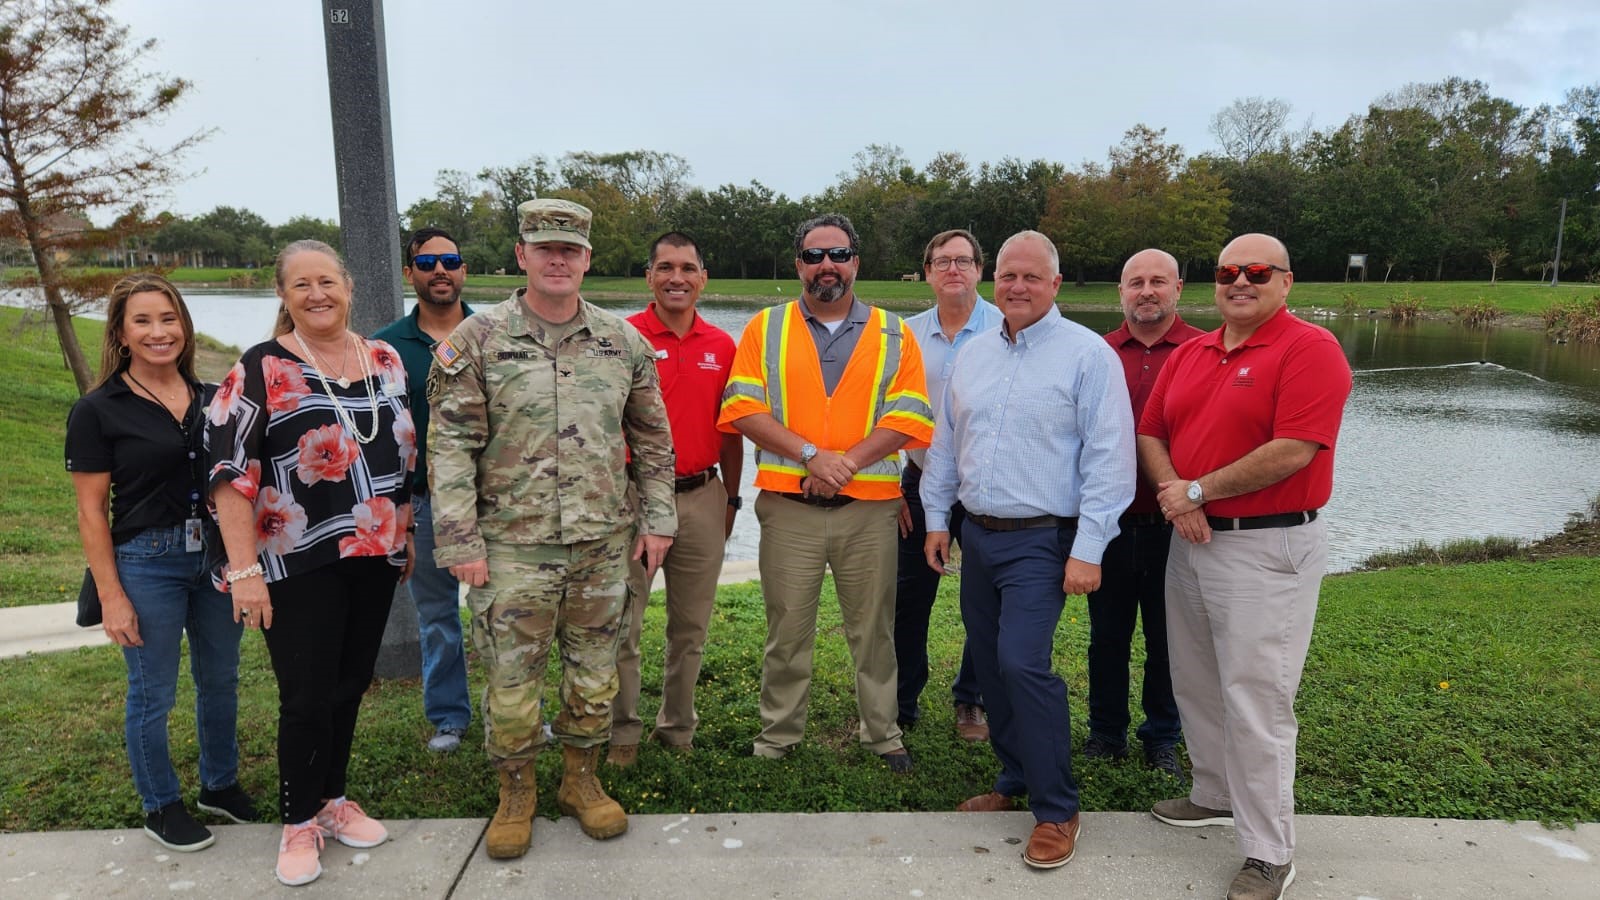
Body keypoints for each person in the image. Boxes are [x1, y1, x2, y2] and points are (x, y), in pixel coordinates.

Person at [427, 199, 676, 859]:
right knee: (513, 682)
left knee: (595, 676)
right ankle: (516, 792)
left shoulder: (623, 342)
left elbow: (653, 442)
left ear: (588, 258)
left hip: (601, 543)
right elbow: (449, 449)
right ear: (522, 255)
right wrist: (459, 541)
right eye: (545, 248)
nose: (558, 260)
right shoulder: (477, 341)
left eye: (570, 250)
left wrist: (658, 519)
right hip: (512, 547)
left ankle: (581, 781)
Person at [1138, 233, 1352, 900]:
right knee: (1196, 678)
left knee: (1256, 699)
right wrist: (1181, 499)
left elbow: (1295, 448)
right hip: (1194, 538)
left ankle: (1269, 852)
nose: (1241, 281)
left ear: (1286, 282)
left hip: (1268, 548)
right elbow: (1152, 431)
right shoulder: (1196, 350)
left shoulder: (1310, 349)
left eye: (1258, 272)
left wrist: (1199, 491)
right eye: (1229, 271)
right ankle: (1212, 791)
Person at [921, 230, 1134, 871]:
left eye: (1031, 277)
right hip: (977, 534)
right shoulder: (976, 355)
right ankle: (1014, 778)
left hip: (1045, 540)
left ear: (1055, 285)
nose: (1016, 286)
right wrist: (938, 518)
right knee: (988, 666)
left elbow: (1109, 459)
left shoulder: (1088, 356)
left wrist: (1090, 548)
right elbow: (947, 445)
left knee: (1022, 663)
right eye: (1008, 275)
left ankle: (1057, 808)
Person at [208, 240, 416, 887]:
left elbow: (404, 457)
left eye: (327, 280)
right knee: (306, 697)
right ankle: (297, 822)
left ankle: (331, 800)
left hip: (374, 553)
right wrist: (245, 573)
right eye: (302, 285)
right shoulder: (260, 367)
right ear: (283, 294)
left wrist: (400, 535)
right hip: (294, 559)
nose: (317, 293)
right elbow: (227, 475)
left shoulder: (383, 359)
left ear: (349, 286)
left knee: (350, 684)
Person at [719, 212, 933, 773]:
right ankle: (778, 737)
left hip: (868, 513)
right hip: (790, 510)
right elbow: (743, 407)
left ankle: (883, 734)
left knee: (874, 630)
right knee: (786, 628)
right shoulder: (765, 328)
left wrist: (845, 464)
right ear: (799, 265)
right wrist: (812, 456)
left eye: (838, 254)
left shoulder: (894, 331)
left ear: (856, 263)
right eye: (814, 256)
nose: (827, 266)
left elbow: (909, 414)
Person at [66, 274, 259, 853]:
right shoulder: (99, 409)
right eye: (143, 321)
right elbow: (91, 513)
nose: (159, 332)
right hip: (146, 561)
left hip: (216, 560)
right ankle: (160, 804)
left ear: (184, 326)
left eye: (168, 319)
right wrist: (112, 594)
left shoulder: (213, 397)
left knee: (220, 679)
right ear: (122, 334)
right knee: (153, 693)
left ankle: (219, 785)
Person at [609, 232, 742, 766]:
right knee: (624, 623)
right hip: (633, 495)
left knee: (690, 625)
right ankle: (623, 732)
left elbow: (732, 430)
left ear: (703, 277)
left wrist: (731, 500)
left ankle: (677, 727)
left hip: (701, 493)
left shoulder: (722, 345)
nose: (677, 278)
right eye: (666, 267)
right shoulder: (621, 336)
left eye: (688, 267)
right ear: (649, 276)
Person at [1083, 248, 1206, 781]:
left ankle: (1162, 737)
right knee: (1106, 637)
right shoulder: (1097, 352)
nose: (1147, 291)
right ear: (1121, 291)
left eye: (1159, 281)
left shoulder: (1207, 350)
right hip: (1108, 526)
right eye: (1136, 282)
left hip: (1176, 526)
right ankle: (1106, 733)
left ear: (1179, 287)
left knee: (1168, 641)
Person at [893, 229, 1001, 743]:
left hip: (988, 485)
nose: (953, 269)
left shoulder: (1008, 328)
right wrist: (892, 487)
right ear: (929, 272)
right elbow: (882, 414)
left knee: (984, 599)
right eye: (942, 261)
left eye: (963, 260)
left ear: (980, 270)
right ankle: (901, 698)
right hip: (918, 480)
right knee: (909, 596)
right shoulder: (902, 335)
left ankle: (971, 700)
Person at [373, 227, 474, 753]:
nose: (440, 270)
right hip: (425, 501)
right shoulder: (385, 346)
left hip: (492, 502)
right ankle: (450, 717)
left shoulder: (495, 332)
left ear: (462, 270)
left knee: (509, 613)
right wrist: (399, 510)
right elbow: (381, 436)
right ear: (410, 271)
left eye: (450, 260)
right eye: (427, 262)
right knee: (437, 617)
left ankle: (522, 713)